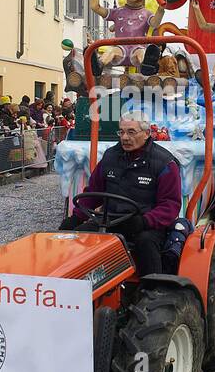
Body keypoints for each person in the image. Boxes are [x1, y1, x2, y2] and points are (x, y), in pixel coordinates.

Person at [59, 114, 181, 275]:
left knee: (146, 243)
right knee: (80, 237)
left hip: (146, 224)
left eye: (131, 132)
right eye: (121, 132)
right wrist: (76, 217)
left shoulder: (164, 164)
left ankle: (152, 288)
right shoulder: (110, 157)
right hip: (111, 220)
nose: (125, 137)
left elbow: (170, 205)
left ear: (146, 133)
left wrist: (144, 221)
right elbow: (94, 192)